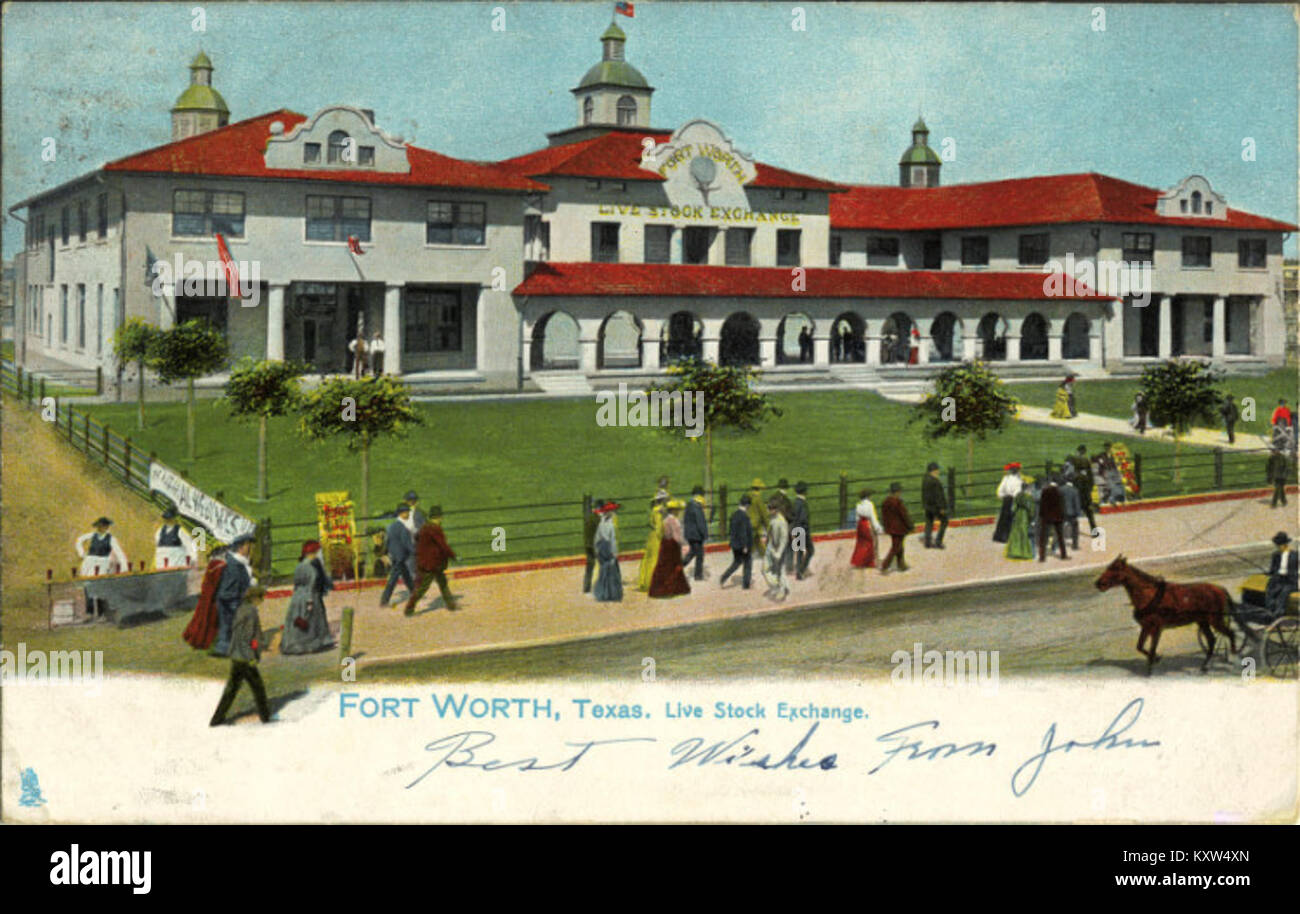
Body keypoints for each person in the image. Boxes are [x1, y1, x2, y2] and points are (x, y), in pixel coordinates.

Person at [209, 585, 272, 726]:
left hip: (236, 654)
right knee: (258, 688)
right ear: (255, 598)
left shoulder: (241, 608)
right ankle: (266, 718)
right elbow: (249, 637)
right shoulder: (251, 612)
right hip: (245, 657)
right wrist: (251, 656)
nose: (262, 601)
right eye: (261, 598)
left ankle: (216, 719)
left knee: (231, 690)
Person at [281, 540, 335, 654]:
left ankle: (314, 641)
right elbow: (312, 584)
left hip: (298, 597)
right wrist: (310, 601)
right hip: (311, 596)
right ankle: (315, 643)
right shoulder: (311, 568)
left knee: (299, 618)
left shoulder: (300, 566)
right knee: (313, 619)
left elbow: (296, 584)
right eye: (316, 552)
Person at [210, 533, 256, 657]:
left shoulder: (229, 561)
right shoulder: (238, 564)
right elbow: (241, 582)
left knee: (225, 624)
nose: (250, 549)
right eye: (248, 546)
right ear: (241, 548)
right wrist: (251, 585)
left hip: (223, 597)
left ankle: (222, 648)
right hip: (233, 598)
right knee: (238, 623)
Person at [406, 506, 457, 615]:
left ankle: (451, 604)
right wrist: (453, 556)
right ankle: (409, 607)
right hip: (432, 564)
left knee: (442, 583)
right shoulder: (435, 529)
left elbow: (416, 538)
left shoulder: (425, 527)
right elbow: (443, 545)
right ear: (439, 517)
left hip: (425, 562)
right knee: (424, 587)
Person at [648, 499, 690, 598]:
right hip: (672, 545)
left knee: (663, 566)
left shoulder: (665, 520)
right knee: (673, 566)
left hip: (665, 544)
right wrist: (683, 544)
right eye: (677, 510)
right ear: (674, 510)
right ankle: (672, 589)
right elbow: (677, 536)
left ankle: (660, 589)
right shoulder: (674, 521)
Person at [379, 504, 415, 607]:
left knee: (406, 575)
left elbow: (387, 541)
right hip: (400, 556)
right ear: (402, 514)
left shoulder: (391, 526)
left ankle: (414, 592)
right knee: (393, 579)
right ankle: (384, 600)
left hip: (394, 555)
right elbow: (407, 543)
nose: (408, 514)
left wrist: (386, 553)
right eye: (407, 512)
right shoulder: (403, 527)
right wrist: (416, 552)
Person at [720, 494, 755, 589]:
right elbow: (743, 532)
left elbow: (732, 530)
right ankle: (746, 584)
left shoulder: (734, 515)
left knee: (736, 562)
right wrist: (745, 545)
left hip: (735, 544)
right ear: (747, 505)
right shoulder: (744, 517)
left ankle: (724, 577)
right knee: (748, 563)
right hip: (743, 544)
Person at [592, 501, 623, 602]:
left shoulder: (601, 523)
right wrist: (615, 553)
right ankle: (612, 593)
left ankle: (603, 591)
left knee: (603, 569)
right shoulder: (611, 525)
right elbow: (613, 540)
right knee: (612, 570)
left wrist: (597, 549)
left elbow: (597, 538)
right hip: (608, 547)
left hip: (601, 547)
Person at [1263, 531, 1298, 620]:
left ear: (1285, 544)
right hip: (1279, 579)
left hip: (1291, 581)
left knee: (1284, 591)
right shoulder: (1276, 555)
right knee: (1271, 590)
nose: (1279, 547)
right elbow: (1273, 569)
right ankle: (1269, 610)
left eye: (1280, 545)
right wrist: (1269, 573)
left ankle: (1279, 612)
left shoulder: (1295, 555)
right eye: (1278, 545)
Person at [637, 492, 668, 592]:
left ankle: (643, 581)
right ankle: (651, 582)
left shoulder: (653, 510)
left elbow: (651, 523)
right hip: (656, 536)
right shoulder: (660, 511)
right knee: (654, 559)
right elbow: (659, 526)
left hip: (651, 535)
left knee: (647, 558)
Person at [762, 496, 791, 599]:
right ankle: (776, 586)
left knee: (780, 570)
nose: (768, 511)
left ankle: (781, 590)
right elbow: (767, 528)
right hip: (770, 546)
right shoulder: (772, 517)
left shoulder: (782, 522)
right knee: (765, 569)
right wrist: (764, 535)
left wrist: (779, 552)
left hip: (779, 549)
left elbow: (784, 539)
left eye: (770, 509)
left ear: (776, 510)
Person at [880, 482, 912, 573]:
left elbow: (884, 516)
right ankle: (885, 566)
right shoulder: (898, 503)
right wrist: (910, 526)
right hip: (899, 528)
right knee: (896, 547)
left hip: (890, 528)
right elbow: (904, 515)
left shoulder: (886, 502)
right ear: (897, 492)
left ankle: (901, 564)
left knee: (899, 546)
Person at [849, 488, 883, 569]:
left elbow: (857, 518)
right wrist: (878, 528)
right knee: (872, 542)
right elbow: (873, 518)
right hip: (868, 524)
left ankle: (860, 560)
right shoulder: (870, 505)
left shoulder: (858, 505)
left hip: (861, 525)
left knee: (861, 543)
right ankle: (870, 561)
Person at [1037, 475, 1069, 562]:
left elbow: (1042, 506)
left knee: (1044, 537)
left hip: (1046, 517)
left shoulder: (1045, 491)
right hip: (1058, 517)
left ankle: (1042, 557)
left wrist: (1041, 515)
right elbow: (1063, 506)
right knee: (1060, 536)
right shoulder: (1060, 492)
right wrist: (1064, 517)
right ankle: (1063, 554)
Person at [1004, 480, 1036, 561]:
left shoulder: (1018, 496)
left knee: (1016, 534)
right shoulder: (1029, 497)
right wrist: (1032, 517)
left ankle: (1015, 552)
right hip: (1025, 516)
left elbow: (1013, 508)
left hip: (1018, 516)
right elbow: (1031, 509)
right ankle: (1025, 553)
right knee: (1024, 534)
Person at [683, 485, 709, 581]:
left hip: (690, 534)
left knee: (693, 553)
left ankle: (679, 567)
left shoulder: (689, 504)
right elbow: (700, 522)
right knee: (699, 555)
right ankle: (698, 575)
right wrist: (705, 534)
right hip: (697, 535)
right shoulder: (697, 506)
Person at [1068, 445, 1098, 532]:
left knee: (1073, 513)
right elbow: (1091, 478)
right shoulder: (1087, 462)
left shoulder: (1075, 461)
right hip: (1086, 494)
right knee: (1090, 514)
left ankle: (1072, 532)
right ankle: (1094, 531)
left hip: (1077, 493)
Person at [992, 463, 1022, 543]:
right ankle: (1009, 536)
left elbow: (999, 491)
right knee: (1012, 518)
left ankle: (1000, 536)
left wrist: (1003, 496)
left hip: (1006, 500)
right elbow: (1018, 492)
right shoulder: (1019, 480)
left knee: (1003, 518)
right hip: (1013, 499)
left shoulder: (1006, 479)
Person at [790, 481, 814, 579]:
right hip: (802, 530)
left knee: (799, 553)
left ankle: (799, 572)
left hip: (796, 529)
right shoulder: (802, 504)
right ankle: (801, 570)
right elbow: (803, 518)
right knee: (810, 550)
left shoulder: (795, 502)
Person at [921, 462, 948, 549]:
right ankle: (938, 542)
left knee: (929, 523)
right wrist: (942, 508)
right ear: (934, 471)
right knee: (944, 521)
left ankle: (927, 542)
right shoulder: (935, 482)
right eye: (937, 470)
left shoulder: (925, 480)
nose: (938, 472)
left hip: (927, 506)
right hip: (935, 507)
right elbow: (939, 496)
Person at [582, 497, 603, 594]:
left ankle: (586, 586)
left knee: (589, 567)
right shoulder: (599, 519)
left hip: (588, 544)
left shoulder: (589, 517)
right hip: (596, 546)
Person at [746, 479, 770, 551]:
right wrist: (768, 526)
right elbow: (764, 514)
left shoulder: (748, 496)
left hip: (748, 523)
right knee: (761, 545)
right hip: (756, 525)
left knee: (753, 544)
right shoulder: (758, 499)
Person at [1061, 475, 1083, 551]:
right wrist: (1078, 513)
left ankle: (1058, 544)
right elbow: (1077, 503)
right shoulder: (1075, 490)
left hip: (1063, 511)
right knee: (1075, 529)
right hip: (1072, 513)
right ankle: (1075, 545)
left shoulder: (1061, 489)